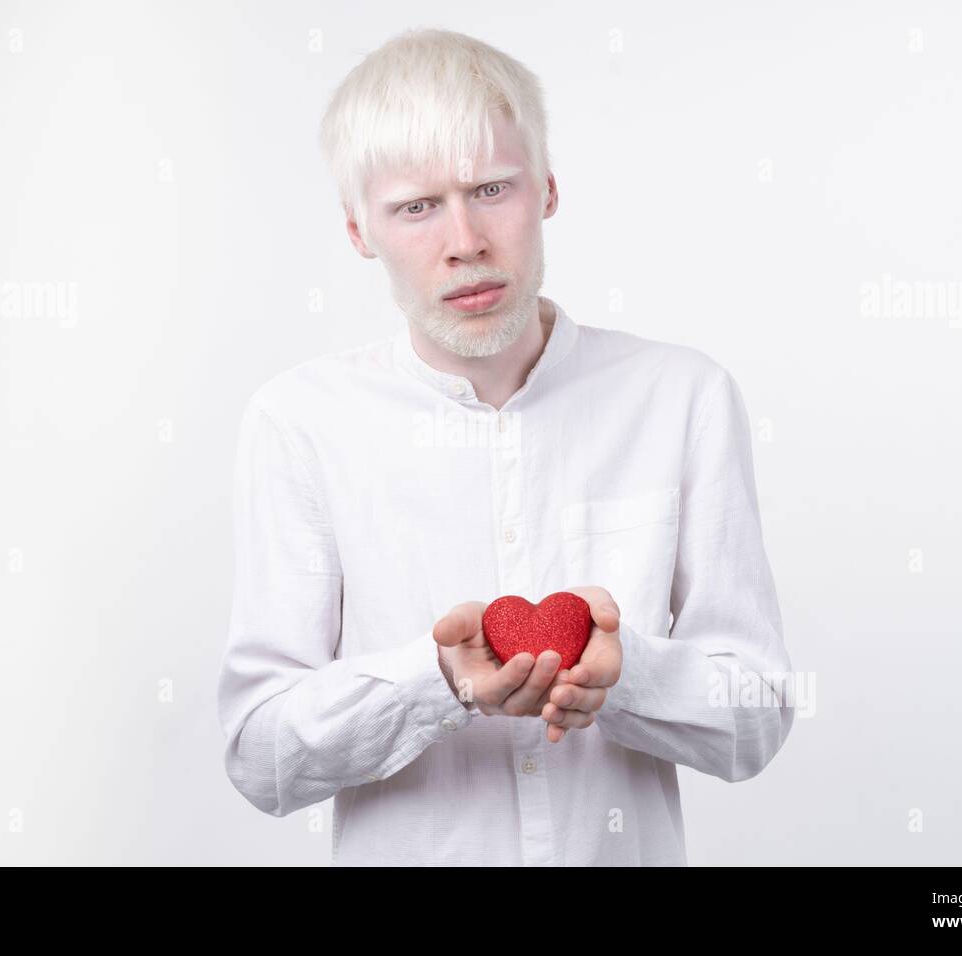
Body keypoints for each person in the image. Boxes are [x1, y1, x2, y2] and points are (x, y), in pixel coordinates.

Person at [216, 27, 795, 866]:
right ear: (356, 231)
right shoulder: (298, 424)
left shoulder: (681, 398)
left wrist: (626, 676)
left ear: (548, 189)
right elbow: (259, 755)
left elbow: (759, 717)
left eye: (492, 189)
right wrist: (436, 683)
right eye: (416, 206)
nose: (465, 241)